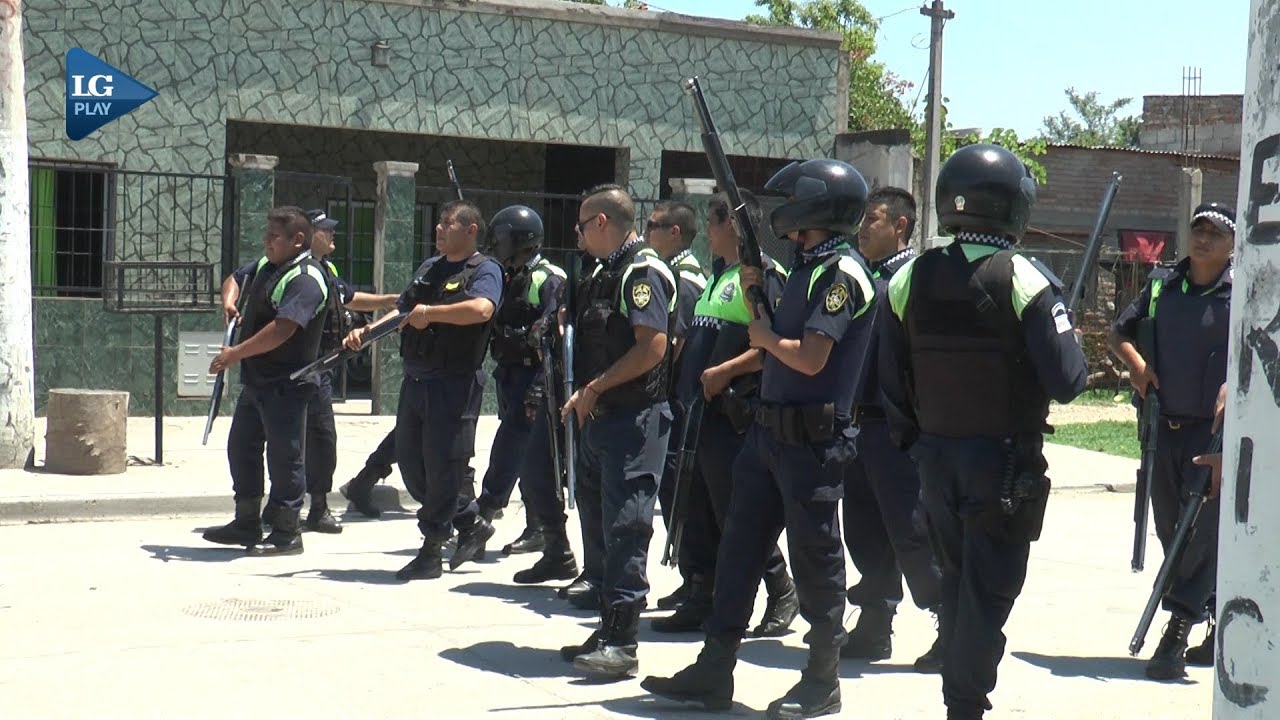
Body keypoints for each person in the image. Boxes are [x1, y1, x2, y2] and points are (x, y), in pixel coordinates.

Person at [643, 158, 876, 719]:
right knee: (737, 554)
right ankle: (714, 668)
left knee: (817, 561)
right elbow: (772, 332)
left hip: (811, 444)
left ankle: (823, 679)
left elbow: (812, 357)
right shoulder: (805, 266)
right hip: (767, 437)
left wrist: (766, 334)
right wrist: (757, 297)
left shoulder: (843, 273)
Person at [878, 144, 1089, 720]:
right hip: (1001, 464)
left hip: (936, 457)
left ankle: (961, 691)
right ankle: (964, 704)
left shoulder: (911, 274)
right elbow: (1069, 380)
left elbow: (888, 377)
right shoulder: (1022, 276)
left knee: (956, 583)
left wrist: (917, 443)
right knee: (989, 589)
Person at [648, 189, 799, 639]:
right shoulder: (719, 278)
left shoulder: (763, 277)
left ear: (731, 226)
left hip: (733, 417)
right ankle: (701, 594)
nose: (706, 232)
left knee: (737, 515)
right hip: (700, 417)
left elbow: (768, 347)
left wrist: (723, 372)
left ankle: (781, 590)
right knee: (701, 512)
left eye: (712, 223)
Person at [343, 200, 504, 581]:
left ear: (471, 230)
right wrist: (367, 333)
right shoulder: (431, 268)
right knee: (415, 469)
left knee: (445, 467)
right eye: (439, 224)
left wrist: (431, 314)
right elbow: (402, 311)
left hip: (454, 382)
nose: (439, 229)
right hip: (417, 380)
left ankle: (431, 551)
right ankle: (470, 521)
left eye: (448, 223)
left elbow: (482, 309)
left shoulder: (484, 269)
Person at [1107, 202, 1235, 679]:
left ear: (1233, 245)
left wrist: (1235, 387)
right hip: (1163, 431)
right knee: (1171, 532)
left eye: (1215, 234)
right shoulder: (1162, 284)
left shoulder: (1244, 291)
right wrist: (1137, 367)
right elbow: (1118, 333)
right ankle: (1215, 612)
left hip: (1214, 433)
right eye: (1198, 230)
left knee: (1197, 532)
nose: (1203, 239)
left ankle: (1176, 630)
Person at [557, 184, 677, 679]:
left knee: (627, 527)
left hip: (634, 420)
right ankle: (607, 624)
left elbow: (653, 348)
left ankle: (623, 639)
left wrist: (597, 387)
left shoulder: (641, 272)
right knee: (601, 526)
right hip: (603, 420)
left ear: (602, 223)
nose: (579, 235)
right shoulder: (603, 274)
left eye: (583, 225)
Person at [841, 187, 944, 670]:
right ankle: (874, 623)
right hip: (858, 425)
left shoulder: (915, 279)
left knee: (913, 533)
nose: (863, 228)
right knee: (863, 531)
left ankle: (952, 624)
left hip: (897, 429)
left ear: (900, 226)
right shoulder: (863, 277)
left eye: (873, 220)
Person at [202, 206, 330, 556]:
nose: (266, 243)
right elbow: (235, 278)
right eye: (267, 236)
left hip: (288, 383)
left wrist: (236, 353)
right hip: (259, 382)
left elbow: (282, 330)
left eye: (274, 237)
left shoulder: (306, 278)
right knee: (241, 448)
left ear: (297, 240)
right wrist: (229, 302)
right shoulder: (267, 266)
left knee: (285, 459)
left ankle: (288, 533)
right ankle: (246, 521)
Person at [473, 205, 566, 555]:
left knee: (510, 445)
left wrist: (529, 334)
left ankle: (484, 513)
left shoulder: (547, 276)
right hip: (509, 372)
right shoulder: (506, 274)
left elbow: (552, 327)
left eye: (501, 238)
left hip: (534, 376)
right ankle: (537, 527)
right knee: (526, 453)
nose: (496, 244)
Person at [643, 201, 709, 610]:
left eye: (654, 225)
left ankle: (698, 576)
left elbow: (676, 343)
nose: (647, 231)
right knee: (675, 494)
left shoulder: (685, 277)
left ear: (675, 233)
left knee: (684, 494)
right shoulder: (677, 271)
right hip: (679, 400)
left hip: (681, 401)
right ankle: (692, 576)